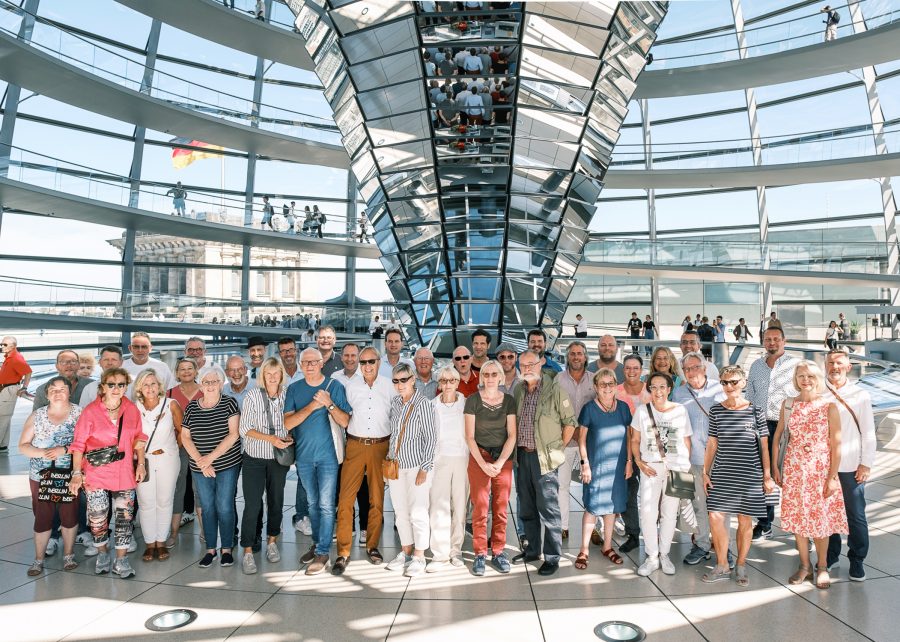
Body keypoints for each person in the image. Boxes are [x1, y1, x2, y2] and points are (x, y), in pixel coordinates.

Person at [772, 361, 847, 589]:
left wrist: (833, 477)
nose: (806, 380)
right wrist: (776, 467)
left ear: (818, 378)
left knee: (820, 521)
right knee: (798, 521)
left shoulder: (829, 407)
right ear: (796, 379)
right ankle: (804, 566)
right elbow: (777, 438)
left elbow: (837, 445)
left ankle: (821, 566)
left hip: (820, 472)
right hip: (795, 472)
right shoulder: (788, 405)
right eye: (801, 376)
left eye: (810, 376)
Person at [69, 368, 147, 579]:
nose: (116, 389)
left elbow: (139, 438)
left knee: (124, 517)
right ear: (102, 385)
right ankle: (103, 554)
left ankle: (121, 560)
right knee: (97, 517)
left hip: (124, 472)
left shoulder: (131, 409)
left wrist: (141, 464)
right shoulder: (91, 411)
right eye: (111, 384)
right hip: (96, 473)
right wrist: (77, 473)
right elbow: (78, 445)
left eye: (121, 384)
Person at [701, 365, 773, 586]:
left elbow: (763, 445)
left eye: (733, 382)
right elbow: (712, 442)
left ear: (743, 382)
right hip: (723, 472)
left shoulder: (756, 410)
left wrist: (767, 476)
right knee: (715, 516)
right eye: (724, 382)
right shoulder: (716, 410)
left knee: (745, 521)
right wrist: (705, 471)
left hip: (749, 473)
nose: (729, 386)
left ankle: (740, 565)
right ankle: (722, 563)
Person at [284, 348, 351, 575]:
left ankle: (323, 551)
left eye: (314, 362)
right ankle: (317, 542)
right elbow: (287, 424)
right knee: (312, 504)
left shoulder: (334, 387)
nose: (310, 365)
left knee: (325, 504)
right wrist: (313, 406)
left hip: (329, 458)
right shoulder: (294, 389)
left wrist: (329, 404)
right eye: (306, 362)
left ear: (322, 363)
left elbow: (346, 422)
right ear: (301, 365)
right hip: (303, 458)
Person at [512, 350, 576, 577]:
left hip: (544, 458)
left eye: (531, 364)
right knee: (527, 507)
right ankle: (532, 550)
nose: (526, 368)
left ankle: (552, 557)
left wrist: (558, 447)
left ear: (540, 364)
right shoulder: (519, 390)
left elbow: (570, 423)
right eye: (523, 365)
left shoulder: (555, 390)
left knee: (549, 509)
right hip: (522, 456)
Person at [333, 347, 394, 575]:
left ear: (379, 362)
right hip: (356, 446)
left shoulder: (389, 386)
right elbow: (342, 416)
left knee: (376, 501)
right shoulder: (351, 386)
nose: (367, 365)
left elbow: (396, 416)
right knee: (346, 499)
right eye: (363, 362)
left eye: (371, 361)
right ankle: (344, 552)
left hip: (380, 447)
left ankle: (372, 546)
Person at [631, 372, 692, 577]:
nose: (658, 391)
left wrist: (685, 467)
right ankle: (651, 555)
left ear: (669, 388)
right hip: (651, 467)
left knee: (669, 512)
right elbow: (635, 440)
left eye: (662, 387)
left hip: (676, 468)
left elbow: (686, 441)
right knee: (648, 512)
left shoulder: (681, 410)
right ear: (649, 389)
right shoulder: (642, 411)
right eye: (653, 387)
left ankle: (664, 554)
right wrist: (639, 462)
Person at [19, 376, 81, 575]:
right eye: (53, 389)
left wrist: (63, 449)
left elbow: (87, 443)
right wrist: (43, 453)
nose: (58, 392)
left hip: (69, 475)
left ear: (69, 392)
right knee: (42, 516)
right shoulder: (37, 415)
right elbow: (23, 445)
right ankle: (38, 559)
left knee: (69, 514)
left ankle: (69, 555)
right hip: (41, 476)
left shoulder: (79, 413)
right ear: (46, 394)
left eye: (62, 389)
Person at [181, 366, 242, 568]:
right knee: (207, 508)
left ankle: (226, 549)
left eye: (214, 381)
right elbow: (185, 437)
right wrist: (201, 460)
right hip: (200, 467)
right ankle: (210, 549)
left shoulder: (229, 403)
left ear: (221, 383)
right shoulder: (191, 407)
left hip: (227, 464)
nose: (210, 385)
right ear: (200, 384)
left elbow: (233, 434)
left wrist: (211, 458)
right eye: (206, 382)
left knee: (224, 506)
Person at [824, 349, 875, 582]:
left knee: (855, 515)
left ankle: (857, 559)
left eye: (839, 363)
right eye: (831, 362)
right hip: (823, 466)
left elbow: (868, 432)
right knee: (828, 513)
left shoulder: (860, 394)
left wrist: (866, 463)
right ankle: (831, 555)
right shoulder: (818, 391)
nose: (834, 366)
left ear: (848, 367)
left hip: (851, 465)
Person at [238, 357, 292, 575]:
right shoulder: (252, 396)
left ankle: (272, 541)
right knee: (252, 505)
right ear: (262, 375)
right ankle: (248, 551)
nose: (272, 377)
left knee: (276, 502)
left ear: (281, 374)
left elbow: (294, 422)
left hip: (278, 459)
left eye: (275, 373)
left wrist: (290, 437)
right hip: (254, 458)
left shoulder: (288, 396)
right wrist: (272, 439)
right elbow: (245, 429)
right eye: (268, 373)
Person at [383, 364, 437, 578]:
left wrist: (425, 469)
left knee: (418, 513)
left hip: (416, 467)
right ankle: (405, 551)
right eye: (395, 381)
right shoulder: (395, 403)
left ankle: (419, 556)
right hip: (396, 466)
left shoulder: (423, 404)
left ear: (412, 379)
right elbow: (394, 435)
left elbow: (431, 438)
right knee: (400, 512)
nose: (399, 385)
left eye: (403, 380)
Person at [672, 352, 726, 567]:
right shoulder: (678, 393)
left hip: (720, 458)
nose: (692, 372)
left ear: (704, 368)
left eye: (695, 367)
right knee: (699, 505)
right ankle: (702, 545)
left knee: (721, 507)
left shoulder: (720, 389)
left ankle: (725, 549)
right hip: (692, 458)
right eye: (687, 369)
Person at [746, 326, 800, 540]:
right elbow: (750, 396)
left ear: (784, 341)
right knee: (764, 476)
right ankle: (765, 522)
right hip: (760, 426)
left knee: (792, 475)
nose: (772, 343)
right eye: (768, 339)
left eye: (776, 339)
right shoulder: (756, 366)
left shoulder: (794, 365)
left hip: (787, 426)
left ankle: (801, 526)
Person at [575, 367, 631, 570]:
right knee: (592, 508)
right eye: (602, 384)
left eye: (611, 383)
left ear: (615, 386)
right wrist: (585, 464)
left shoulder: (624, 408)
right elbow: (581, 440)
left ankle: (607, 547)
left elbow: (629, 437)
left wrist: (629, 461)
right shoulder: (589, 409)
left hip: (617, 467)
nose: (607, 388)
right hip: (596, 467)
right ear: (596, 387)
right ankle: (584, 550)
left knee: (612, 507)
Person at [465, 359, 517, 577]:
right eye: (486, 374)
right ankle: (479, 553)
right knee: (480, 508)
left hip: (503, 459)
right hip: (479, 457)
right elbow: (469, 437)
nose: (490, 378)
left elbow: (512, 435)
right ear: (482, 377)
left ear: (501, 377)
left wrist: (498, 463)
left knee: (501, 508)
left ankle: (497, 551)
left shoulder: (509, 401)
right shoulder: (472, 400)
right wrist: (483, 463)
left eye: (494, 374)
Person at [133, 369, 182, 563]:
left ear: (159, 385)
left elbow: (182, 430)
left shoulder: (171, 405)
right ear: (139, 388)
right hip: (143, 460)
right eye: (145, 384)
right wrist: (140, 460)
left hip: (167, 459)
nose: (150, 388)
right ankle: (149, 544)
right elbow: (132, 437)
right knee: (146, 503)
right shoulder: (133, 407)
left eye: (153, 383)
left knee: (164, 500)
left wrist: (171, 450)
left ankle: (161, 542)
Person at [428, 365, 468, 571]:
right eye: (443, 381)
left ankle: (456, 550)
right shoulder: (432, 405)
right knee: (438, 507)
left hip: (462, 459)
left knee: (459, 506)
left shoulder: (466, 403)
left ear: (458, 382)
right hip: (439, 460)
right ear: (439, 384)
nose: (448, 385)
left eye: (452, 380)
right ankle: (440, 553)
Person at [556, 341, 595, 540]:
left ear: (585, 357)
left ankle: (594, 528)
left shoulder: (594, 380)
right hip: (565, 441)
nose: (576, 357)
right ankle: (563, 526)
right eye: (572, 354)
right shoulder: (558, 379)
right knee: (562, 485)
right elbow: (553, 410)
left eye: (580, 353)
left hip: (588, 443)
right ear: (567, 357)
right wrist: (567, 432)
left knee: (591, 484)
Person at [166, 357, 203, 548]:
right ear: (177, 373)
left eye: (190, 368)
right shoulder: (169, 394)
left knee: (200, 489)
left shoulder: (207, 391)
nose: (186, 372)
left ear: (196, 371)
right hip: (178, 448)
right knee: (177, 488)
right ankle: (173, 532)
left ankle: (205, 531)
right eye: (182, 369)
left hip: (202, 449)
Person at [615, 354, 650, 553]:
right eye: (628, 368)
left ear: (641, 369)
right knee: (629, 494)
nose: (631, 371)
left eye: (635, 368)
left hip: (649, 451)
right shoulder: (617, 392)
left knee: (649, 495)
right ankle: (633, 534)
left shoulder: (651, 390)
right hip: (624, 450)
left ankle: (654, 535)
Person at [0, 336, 33, 449]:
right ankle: (3, 445)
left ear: (13, 346)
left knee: (2, 417)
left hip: (9, 390)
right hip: (5, 389)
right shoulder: (9, 357)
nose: (2, 346)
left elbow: (28, 372)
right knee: (4, 418)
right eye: (1, 344)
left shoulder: (16, 358)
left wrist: (24, 388)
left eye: (5, 344)